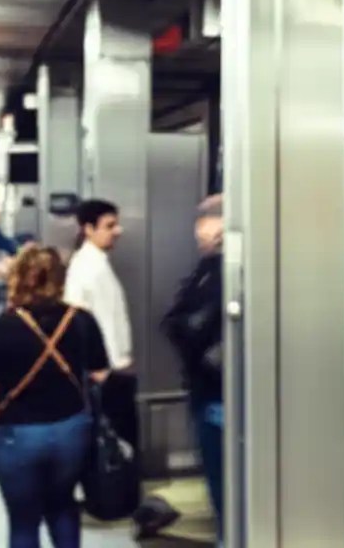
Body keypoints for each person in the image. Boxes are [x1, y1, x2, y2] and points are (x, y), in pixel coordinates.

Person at [0, 246, 111, 548]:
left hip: (19, 436)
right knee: (64, 506)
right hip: (71, 430)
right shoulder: (80, 320)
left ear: (18, 278)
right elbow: (100, 372)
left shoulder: (2, 327)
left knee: (23, 520)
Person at [161, 194, 225, 533]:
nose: (199, 232)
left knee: (226, 482)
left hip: (219, 393)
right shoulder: (206, 270)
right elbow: (173, 322)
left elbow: (182, 324)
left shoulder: (221, 273)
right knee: (219, 479)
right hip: (207, 390)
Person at [63, 200, 136, 445]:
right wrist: (114, 365)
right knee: (118, 444)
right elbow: (93, 321)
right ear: (89, 229)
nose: (118, 231)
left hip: (106, 368)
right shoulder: (90, 268)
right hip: (106, 371)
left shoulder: (92, 263)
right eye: (110, 225)